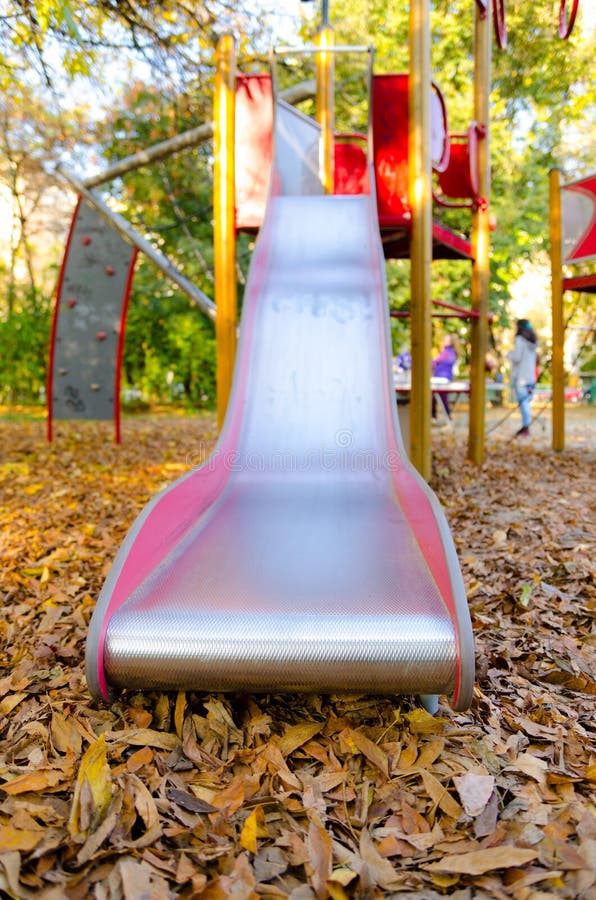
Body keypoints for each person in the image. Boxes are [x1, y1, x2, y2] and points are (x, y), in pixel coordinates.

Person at [508, 318, 537, 436]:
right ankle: (526, 425)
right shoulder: (533, 343)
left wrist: (509, 354)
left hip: (521, 377)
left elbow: (517, 357)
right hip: (530, 377)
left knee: (524, 403)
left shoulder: (519, 340)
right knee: (526, 403)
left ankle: (526, 426)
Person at [432, 334, 459, 420]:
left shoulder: (447, 352)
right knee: (439, 398)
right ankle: (438, 415)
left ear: (451, 342)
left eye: (446, 339)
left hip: (442, 379)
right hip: (442, 378)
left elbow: (434, 362)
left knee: (440, 397)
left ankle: (437, 415)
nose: (443, 340)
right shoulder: (448, 352)